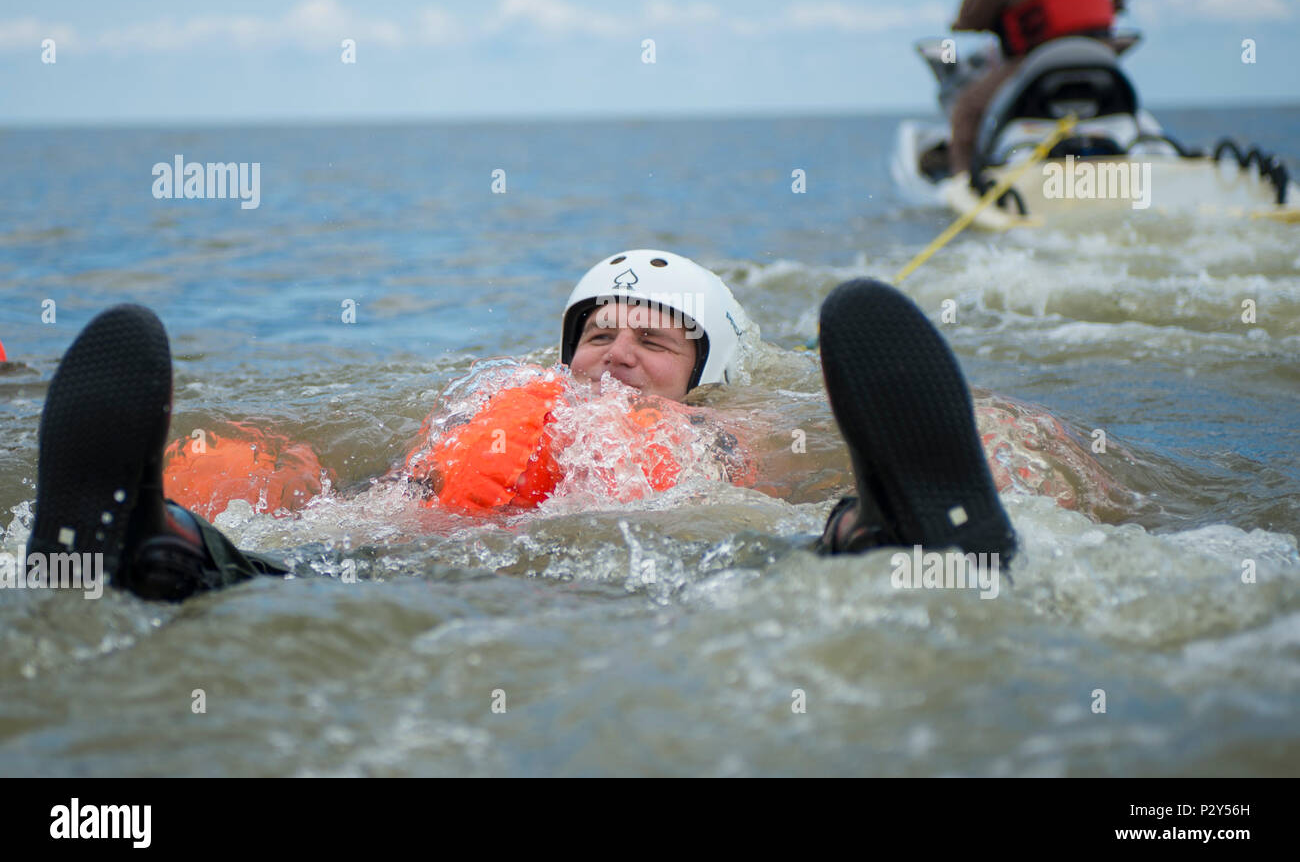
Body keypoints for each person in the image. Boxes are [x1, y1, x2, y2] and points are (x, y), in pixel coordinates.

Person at [26, 249, 1021, 602]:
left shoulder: (719, 431)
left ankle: (886, 534)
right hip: (407, 557)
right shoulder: (505, 405)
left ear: (705, 374)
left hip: (650, 566)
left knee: (763, 550)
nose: (617, 352)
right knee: (266, 475)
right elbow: (386, 507)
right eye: (598, 331)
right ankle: (162, 539)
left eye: (655, 342)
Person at [947, 0, 1144, 182]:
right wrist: (1113, 3)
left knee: (966, 108)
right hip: (1101, 54)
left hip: (1038, 59)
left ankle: (964, 182)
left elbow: (970, 16)